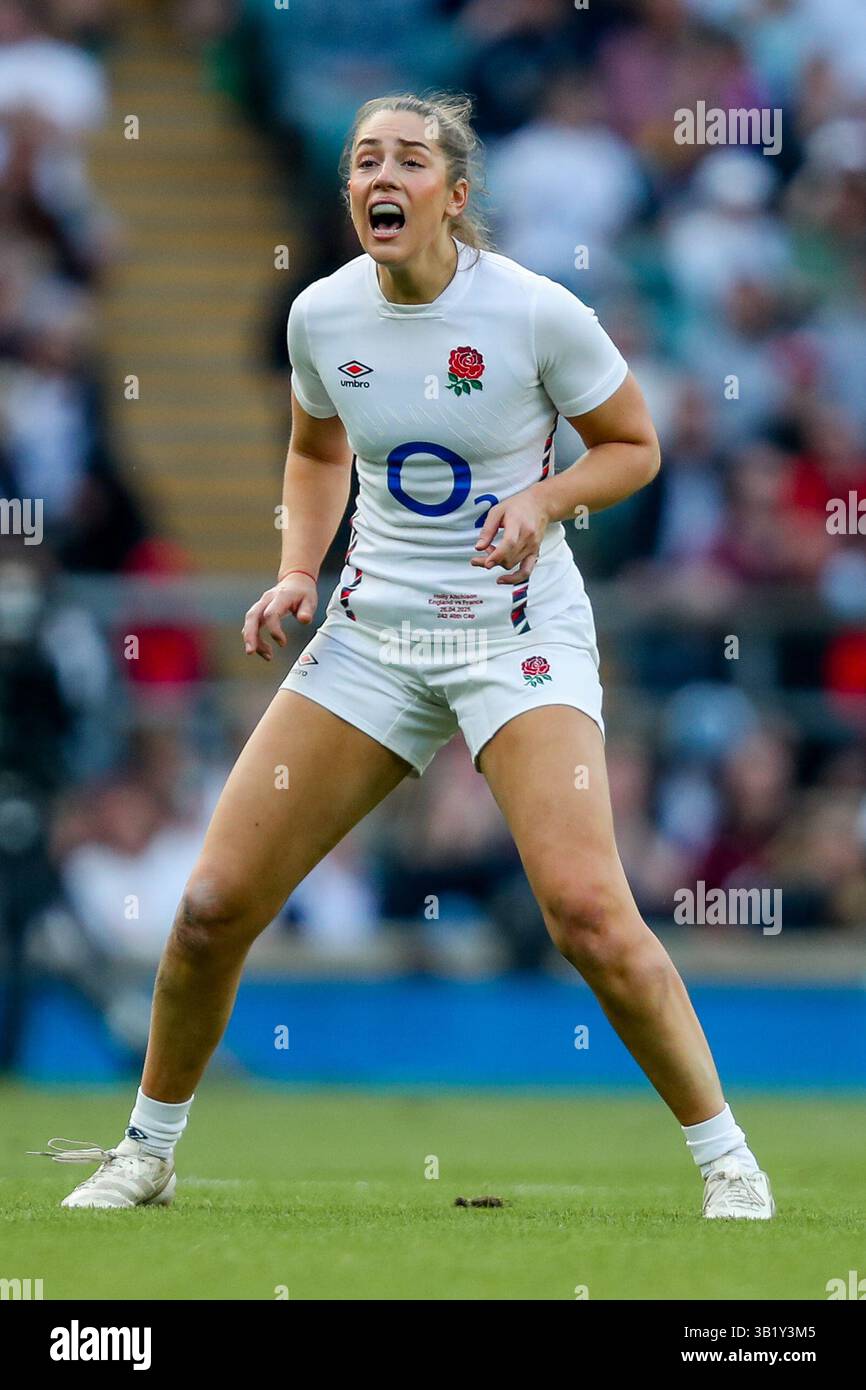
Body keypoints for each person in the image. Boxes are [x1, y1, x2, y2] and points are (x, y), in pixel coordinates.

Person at [37, 91, 774, 1219]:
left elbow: (633, 447)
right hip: (374, 636)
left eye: (408, 160)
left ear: (454, 194)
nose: (381, 175)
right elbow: (313, 448)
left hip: (514, 632)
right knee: (209, 907)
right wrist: (297, 566)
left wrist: (544, 499)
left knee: (583, 909)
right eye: (362, 159)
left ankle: (727, 1158)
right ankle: (146, 1152)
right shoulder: (322, 317)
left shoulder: (534, 313)